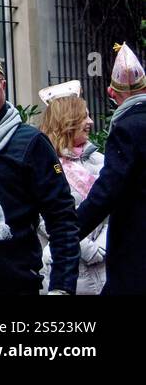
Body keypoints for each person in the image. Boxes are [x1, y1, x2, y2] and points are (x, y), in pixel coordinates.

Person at [0, 28, 79, 295]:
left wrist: (62, 287)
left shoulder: (30, 141)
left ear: (4, 87)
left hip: (16, 284)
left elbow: (62, 218)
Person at [75, 42, 146, 295]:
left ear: (111, 93)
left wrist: (70, 230)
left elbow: (107, 191)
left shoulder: (127, 128)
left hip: (136, 245)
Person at [37, 80, 107, 294]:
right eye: (84, 116)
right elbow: (43, 218)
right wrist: (86, 248)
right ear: (67, 120)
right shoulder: (41, 162)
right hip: (64, 271)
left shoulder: (101, 161)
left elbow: (116, 207)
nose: (91, 121)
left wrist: (103, 247)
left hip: (105, 270)